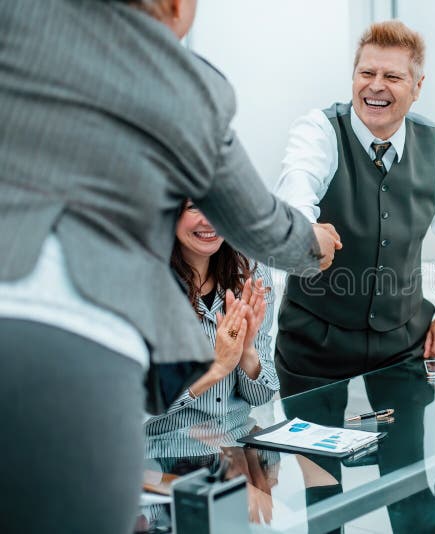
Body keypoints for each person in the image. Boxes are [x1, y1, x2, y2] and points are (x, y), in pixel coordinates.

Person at [0, 1, 336, 532]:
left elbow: (260, 383)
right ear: (178, 7)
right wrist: (314, 244)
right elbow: (262, 223)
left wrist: (242, 357)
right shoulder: (188, 86)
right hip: (85, 356)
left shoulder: (17, 18)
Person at [274, 20, 435, 396]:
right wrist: (306, 237)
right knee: (310, 453)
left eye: (392, 76)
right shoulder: (319, 132)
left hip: (403, 340)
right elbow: (295, 191)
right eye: (366, 72)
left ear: (418, 87)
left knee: (407, 452)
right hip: (314, 343)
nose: (375, 85)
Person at [145, 200, 279, 435]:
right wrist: (216, 368)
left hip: (237, 442)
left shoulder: (250, 270)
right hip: (165, 450)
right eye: (194, 207)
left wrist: (247, 351)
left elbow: (261, 396)